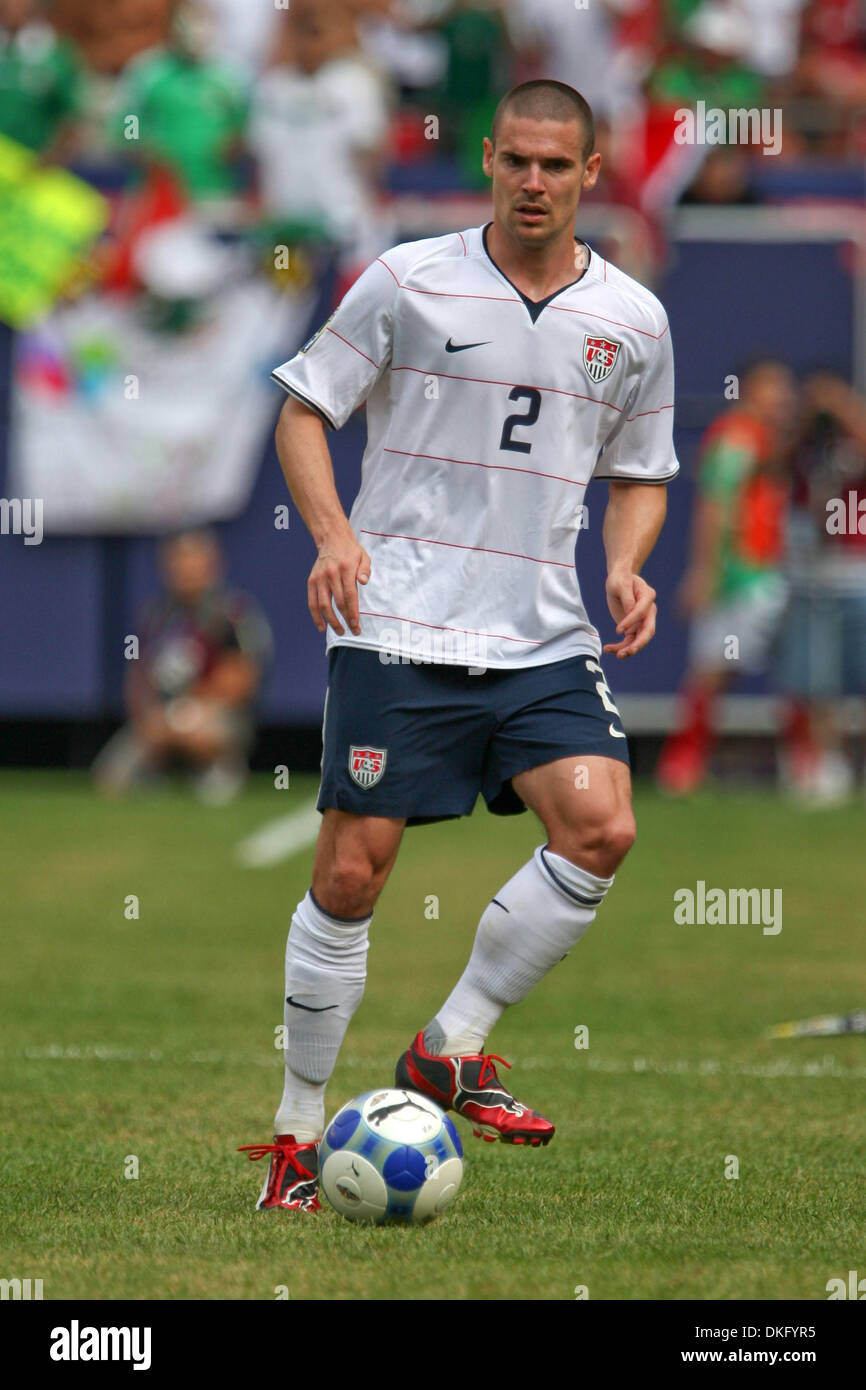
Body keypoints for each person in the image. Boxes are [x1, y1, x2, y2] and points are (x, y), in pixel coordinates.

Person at [239, 79, 678, 1213]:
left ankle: (450, 1045)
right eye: (514, 161)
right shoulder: (405, 278)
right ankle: (295, 1134)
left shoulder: (631, 319)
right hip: (398, 620)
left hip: (540, 630)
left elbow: (640, 473)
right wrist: (333, 536)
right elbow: (302, 410)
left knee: (601, 825)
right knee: (350, 873)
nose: (532, 182)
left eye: (555, 166)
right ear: (488, 158)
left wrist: (625, 566)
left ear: (591, 172)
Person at [655, 361, 795, 795]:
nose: (785, 398)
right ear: (752, 389)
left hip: (767, 572)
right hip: (742, 576)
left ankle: (807, 766)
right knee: (715, 671)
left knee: (793, 667)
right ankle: (681, 766)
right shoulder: (736, 436)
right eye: (775, 387)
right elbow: (715, 506)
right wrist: (704, 571)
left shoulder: (768, 440)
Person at [92, 528, 272, 803]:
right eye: (178, 563)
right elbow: (138, 678)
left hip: (212, 712)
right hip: (161, 715)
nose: (185, 571)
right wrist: (150, 718)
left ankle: (219, 767)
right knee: (111, 778)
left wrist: (188, 711)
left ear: (212, 565)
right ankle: (158, 776)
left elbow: (242, 681)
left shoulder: (231, 615)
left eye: (193, 563)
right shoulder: (156, 616)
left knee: (201, 731)